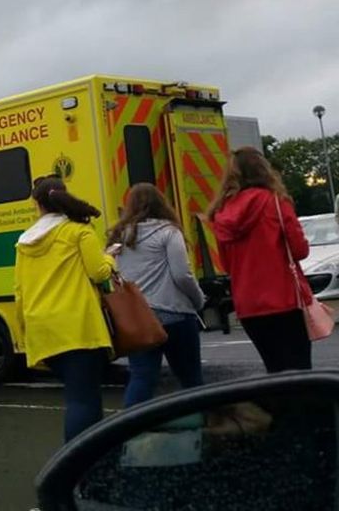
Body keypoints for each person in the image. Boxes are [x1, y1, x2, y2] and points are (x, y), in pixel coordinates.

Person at [14, 175, 115, 442]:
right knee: (85, 400)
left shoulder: (24, 242)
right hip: (77, 325)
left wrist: (24, 332)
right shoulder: (79, 231)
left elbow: (20, 292)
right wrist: (111, 258)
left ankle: (87, 459)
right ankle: (79, 464)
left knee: (76, 395)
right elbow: (98, 272)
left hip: (42, 327)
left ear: (37, 205)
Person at [209, 147, 312, 373]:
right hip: (282, 298)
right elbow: (300, 250)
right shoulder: (275, 202)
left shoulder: (221, 213)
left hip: (248, 304)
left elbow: (225, 265)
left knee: (275, 370)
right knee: (300, 371)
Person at [108, 183, 205, 407]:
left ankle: (130, 431)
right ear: (161, 203)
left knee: (142, 378)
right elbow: (182, 274)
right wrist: (198, 300)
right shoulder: (168, 232)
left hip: (139, 317)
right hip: (175, 314)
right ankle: (200, 427)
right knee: (191, 380)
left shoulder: (119, 236)